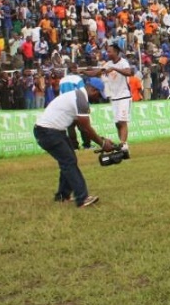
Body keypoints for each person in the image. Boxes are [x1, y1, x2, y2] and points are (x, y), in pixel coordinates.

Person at [33, 77, 114, 208]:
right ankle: (82, 198)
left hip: (52, 131)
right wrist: (103, 144)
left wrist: (102, 140)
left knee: (69, 161)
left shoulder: (77, 95)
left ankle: (62, 196)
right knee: (69, 161)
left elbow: (82, 126)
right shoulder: (81, 99)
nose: (98, 98)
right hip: (48, 132)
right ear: (93, 90)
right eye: (98, 94)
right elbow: (86, 128)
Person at [87, 44, 132, 158]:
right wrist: (83, 72)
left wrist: (115, 69)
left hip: (124, 96)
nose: (108, 53)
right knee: (117, 123)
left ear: (116, 52)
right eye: (107, 51)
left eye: (110, 51)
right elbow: (97, 73)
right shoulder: (108, 64)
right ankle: (122, 146)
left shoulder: (123, 62)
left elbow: (129, 72)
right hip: (114, 98)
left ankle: (123, 145)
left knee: (122, 121)